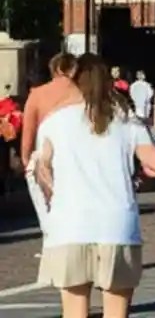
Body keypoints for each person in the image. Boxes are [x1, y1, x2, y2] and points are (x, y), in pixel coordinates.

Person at [33, 53, 155, 318]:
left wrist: (54, 190)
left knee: (74, 312)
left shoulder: (54, 121)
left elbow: (42, 169)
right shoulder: (126, 120)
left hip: (69, 223)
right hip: (116, 223)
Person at [20, 54, 80, 251]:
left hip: (44, 156)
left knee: (47, 211)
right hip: (78, 157)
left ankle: (53, 250)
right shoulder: (83, 93)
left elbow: (28, 134)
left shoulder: (37, 94)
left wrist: (27, 161)